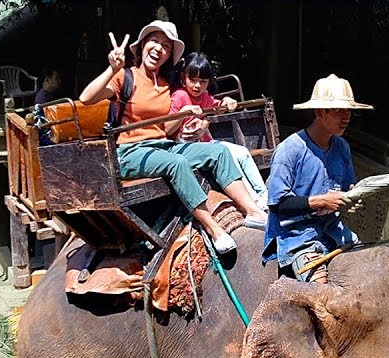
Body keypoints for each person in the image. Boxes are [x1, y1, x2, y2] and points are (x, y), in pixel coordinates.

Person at [78, 20, 267, 254]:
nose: (159, 48)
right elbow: (86, 98)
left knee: (219, 151)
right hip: (130, 152)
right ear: (142, 45)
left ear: (169, 55)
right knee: (176, 163)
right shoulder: (125, 77)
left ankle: (253, 211)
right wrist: (112, 69)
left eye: (166, 46)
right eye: (154, 41)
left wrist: (220, 105)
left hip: (164, 146)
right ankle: (213, 229)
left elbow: (193, 108)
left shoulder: (169, 85)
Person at [263, 74, 371, 283]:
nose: (346, 117)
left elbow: (347, 186)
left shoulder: (341, 147)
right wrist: (322, 201)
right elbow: (279, 204)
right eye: (339, 110)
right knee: (321, 291)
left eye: (348, 110)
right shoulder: (290, 150)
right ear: (320, 112)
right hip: (298, 236)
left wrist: (352, 196)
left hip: (334, 230)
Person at [169, 51, 268, 208]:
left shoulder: (204, 96)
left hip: (207, 143)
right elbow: (168, 125)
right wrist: (184, 112)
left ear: (209, 82)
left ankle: (264, 194)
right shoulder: (179, 96)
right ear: (183, 77)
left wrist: (227, 101)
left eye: (203, 81)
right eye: (192, 80)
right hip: (187, 146)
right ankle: (253, 201)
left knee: (242, 152)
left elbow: (217, 105)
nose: (197, 85)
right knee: (229, 157)